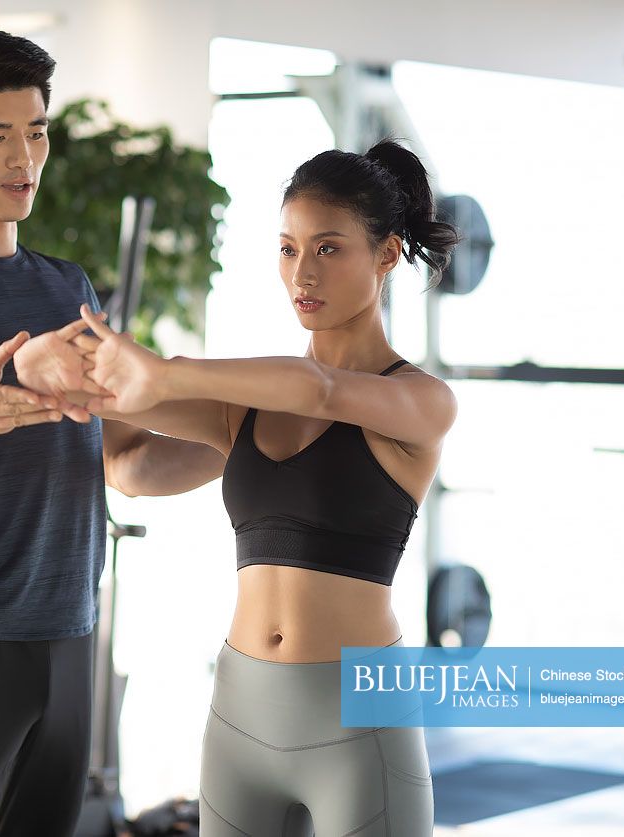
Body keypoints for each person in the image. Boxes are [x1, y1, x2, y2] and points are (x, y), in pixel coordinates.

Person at [0, 29, 224, 837]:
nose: (23, 156)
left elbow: (125, 460)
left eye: (36, 130)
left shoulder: (67, 286)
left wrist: (247, 445)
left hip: (65, 638)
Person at [73, 140, 460, 836]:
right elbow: (129, 466)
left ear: (385, 254)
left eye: (328, 248)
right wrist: (78, 374)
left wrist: (164, 372)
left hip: (358, 720)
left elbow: (316, 389)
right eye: (287, 248)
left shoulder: (421, 402)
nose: (301, 272)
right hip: (239, 714)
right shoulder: (244, 405)